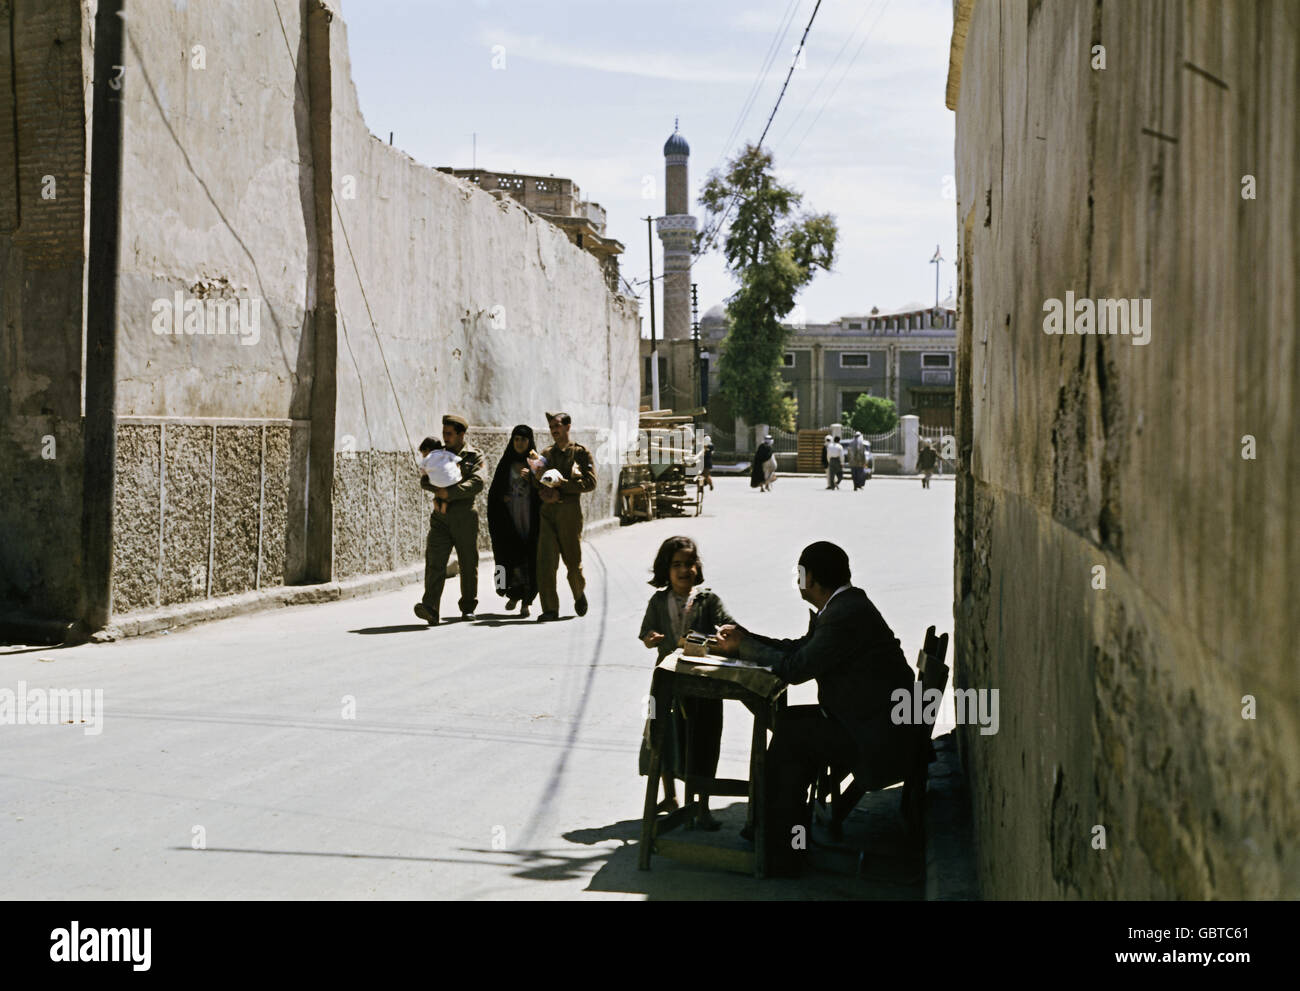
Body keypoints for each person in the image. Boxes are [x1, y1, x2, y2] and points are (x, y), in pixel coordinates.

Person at [713, 541, 914, 876]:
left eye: (801, 574)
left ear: (813, 579)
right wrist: (747, 639)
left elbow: (795, 669)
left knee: (789, 744)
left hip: (871, 735)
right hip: (869, 722)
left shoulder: (844, 614)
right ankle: (776, 835)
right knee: (789, 725)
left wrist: (744, 647)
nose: (797, 582)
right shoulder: (844, 606)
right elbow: (799, 649)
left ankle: (784, 849)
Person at [637, 536, 735, 831]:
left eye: (689, 563)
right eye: (676, 564)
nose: (684, 570)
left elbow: (728, 625)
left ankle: (702, 806)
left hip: (705, 684)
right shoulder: (658, 601)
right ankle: (670, 798)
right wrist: (650, 638)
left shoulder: (708, 600)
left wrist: (725, 636)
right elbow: (646, 632)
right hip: (667, 682)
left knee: (704, 741)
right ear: (665, 570)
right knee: (664, 738)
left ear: (697, 567)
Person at [414, 414, 484, 625]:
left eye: (449, 434)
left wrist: (450, 493)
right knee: (435, 561)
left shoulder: (474, 456)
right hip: (441, 517)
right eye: (444, 433)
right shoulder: (438, 454)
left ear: (461, 434)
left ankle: (468, 606)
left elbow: (478, 482)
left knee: (468, 562)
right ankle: (431, 607)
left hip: (464, 515)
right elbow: (424, 479)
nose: (445, 438)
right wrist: (438, 489)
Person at [531, 411, 597, 621]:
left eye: (557, 426)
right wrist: (539, 486)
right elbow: (537, 480)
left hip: (569, 513)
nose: (554, 431)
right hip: (548, 512)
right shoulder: (546, 454)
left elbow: (590, 483)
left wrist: (563, 485)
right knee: (545, 562)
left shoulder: (580, 453)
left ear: (568, 427)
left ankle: (578, 593)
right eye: (551, 427)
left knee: (572, 561)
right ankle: (550, 609)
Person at [487, 424, 542, 617]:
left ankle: (526, 602)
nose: (519, 443)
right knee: (509, 557)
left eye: (523, 440)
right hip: (509, 520)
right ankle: (510, 593)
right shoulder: (506, 463)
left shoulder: (536, 463)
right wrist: (503, 498)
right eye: (516, 439)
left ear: (530, 442)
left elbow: (546, 487)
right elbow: (495, 492)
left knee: (529, 559)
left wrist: (533, 479)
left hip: (530, 519)